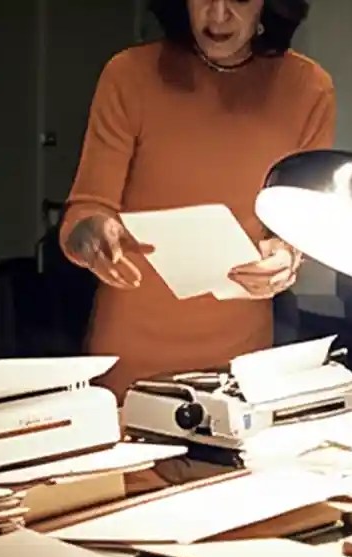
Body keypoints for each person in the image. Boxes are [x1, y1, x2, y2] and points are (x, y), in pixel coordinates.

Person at [60, 0, 337, 400]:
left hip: (240, 361)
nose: (218, 14)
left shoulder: (309, 89)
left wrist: (287, 256)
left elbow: (301, 225)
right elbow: (84, 211)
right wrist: (92, 236)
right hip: (132, 353)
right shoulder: (129, 75)